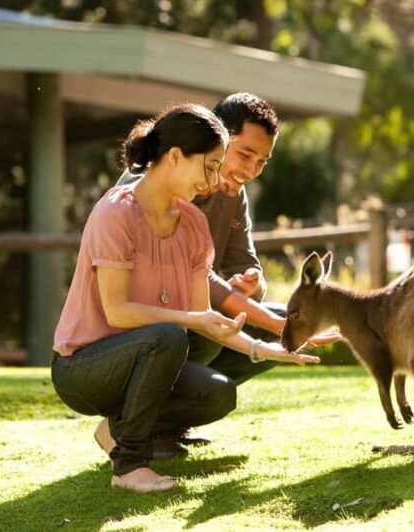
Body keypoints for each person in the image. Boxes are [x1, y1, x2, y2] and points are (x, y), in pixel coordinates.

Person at [51, 104, 319, 493]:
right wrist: (192, 320)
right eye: (210, 166)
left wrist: (263, 348)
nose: (215, 179)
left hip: (150, 348)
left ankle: (121, 430)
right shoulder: (116, 212)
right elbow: (119, 312)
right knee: (170, 335)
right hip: (84, 366)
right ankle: (128, 466)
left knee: (217, 393)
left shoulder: (192, 223)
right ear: (176, 156)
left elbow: (205, 315)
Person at [116, 94, 339, 456]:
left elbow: (243, 265)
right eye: (244, 154)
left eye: (262, 162)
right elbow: (195, 280)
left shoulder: (235, 194)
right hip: (144, 330)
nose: (250, 170)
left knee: (281, 321)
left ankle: (165, 424)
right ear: (217, 137)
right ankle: (131, 420)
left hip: (196, 318)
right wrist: (265, 319)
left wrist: (252, 282)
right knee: (234, 332)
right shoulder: (160, 183)